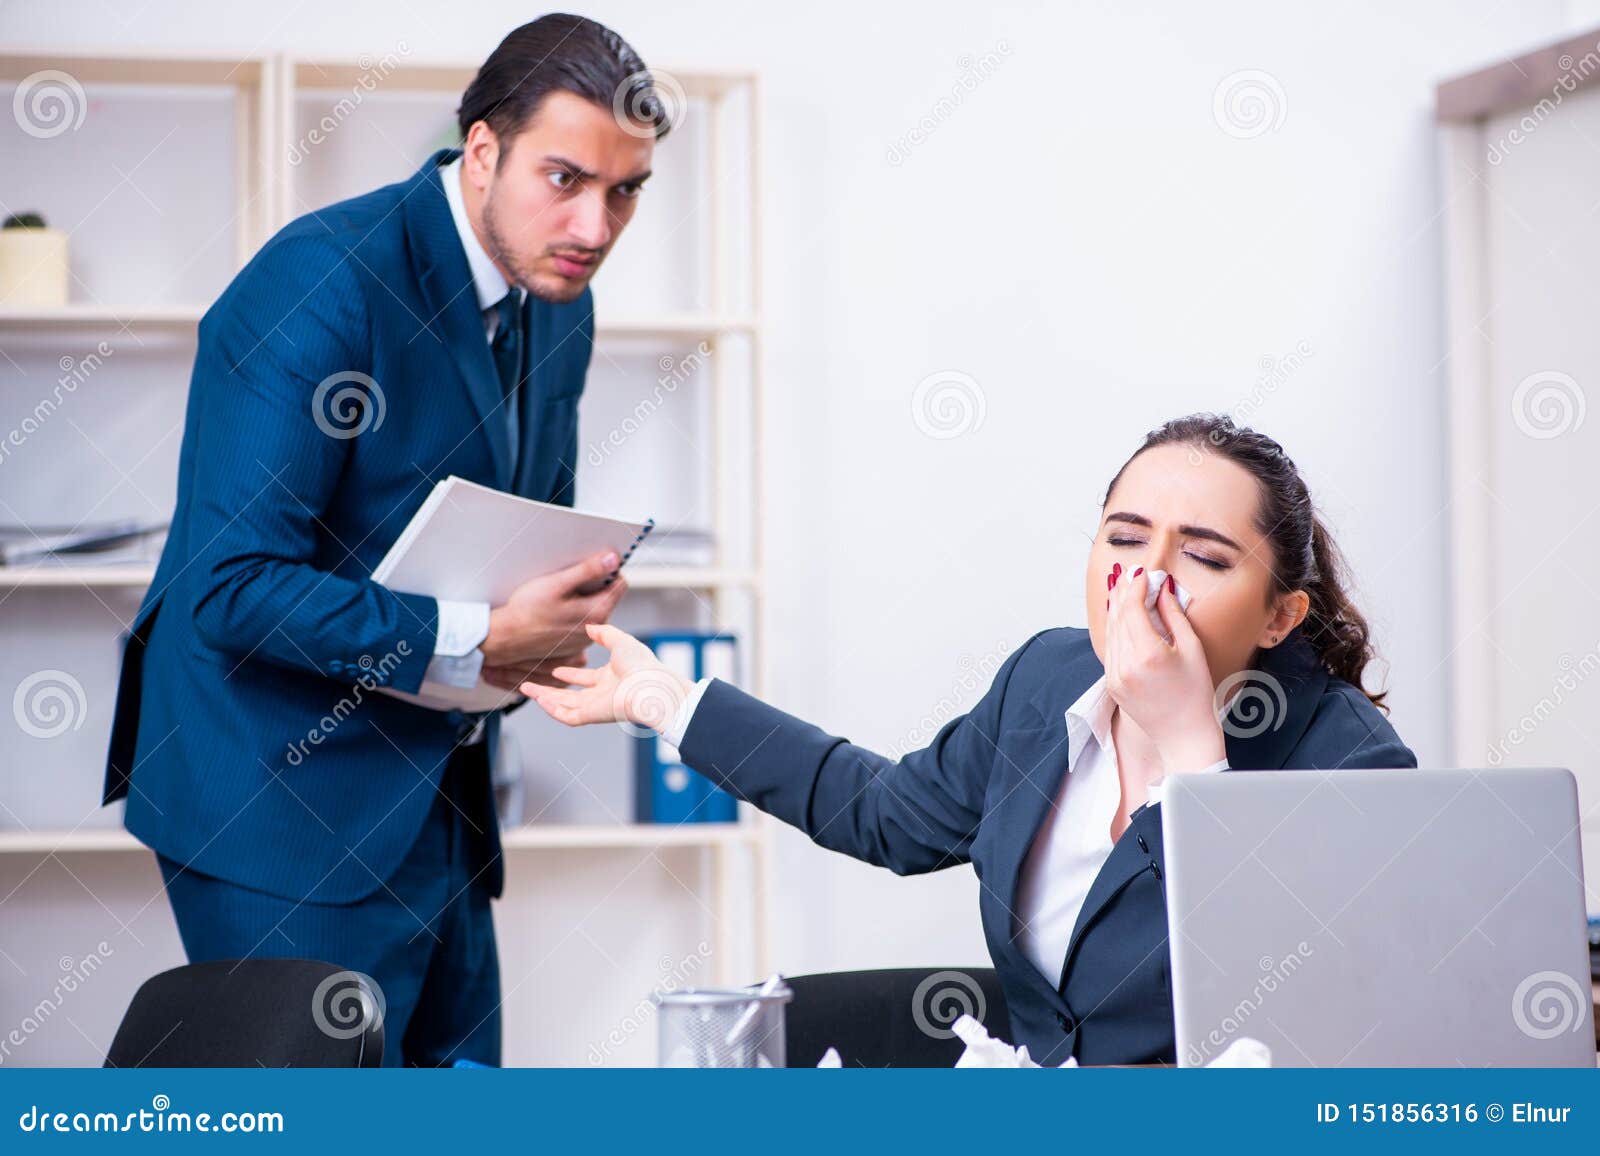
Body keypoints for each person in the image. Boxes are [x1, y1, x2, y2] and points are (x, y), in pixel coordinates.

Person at [102, 14, 667, 1066]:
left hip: (437, 796)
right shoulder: (319, 284)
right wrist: (480, 635)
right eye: (565, 178)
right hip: (272, 797)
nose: (594, 223)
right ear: (483, 150)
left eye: (625, 189)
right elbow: (228, 586)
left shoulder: (558, 303)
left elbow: (524, 520)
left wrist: (561, 607)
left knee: (460, 1104)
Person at [523, 413, 1418, 1065]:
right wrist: (667, 701)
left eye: (1205, 558)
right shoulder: (1046, 681)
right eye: (1126, 537)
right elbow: (883, 815)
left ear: (1280, 615)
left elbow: (1304, 1026)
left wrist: (1190, 745)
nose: (1147, 582)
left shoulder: (1349, 759)